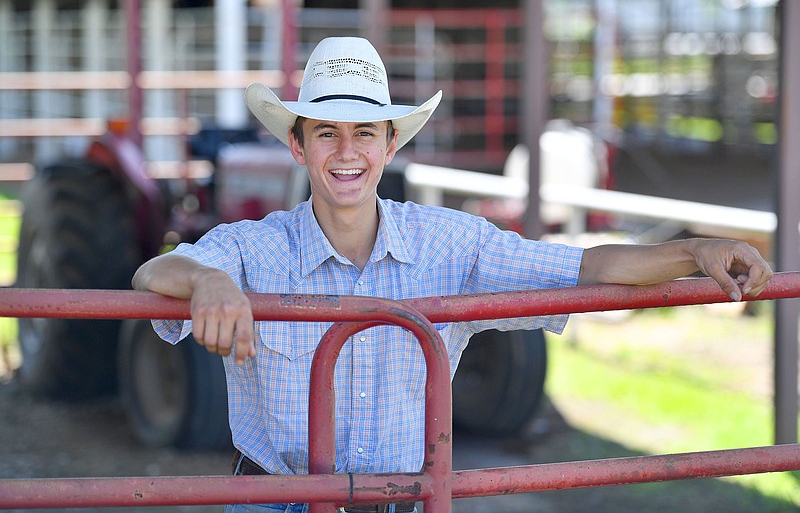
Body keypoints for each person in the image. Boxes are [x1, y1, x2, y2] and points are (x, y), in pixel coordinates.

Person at [132, 36, 773, 513]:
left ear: (390, 144)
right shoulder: (256, 247)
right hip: (275, 501)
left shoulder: (451, 246)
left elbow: (585, 265)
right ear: (298, 146)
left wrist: (694, 251)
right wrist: (208, 281)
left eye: (365, 132)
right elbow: (152, 274)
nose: (347, 152)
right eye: (326, 132)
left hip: (402, 502)